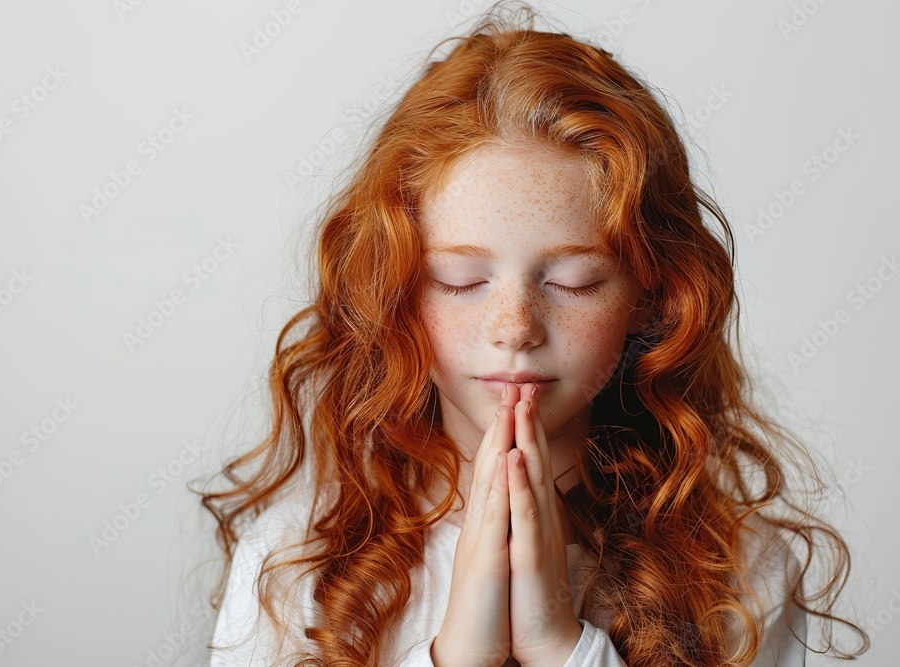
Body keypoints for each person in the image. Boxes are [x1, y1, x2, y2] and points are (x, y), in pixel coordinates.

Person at [200, 2, 870, 665]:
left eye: (575, 281)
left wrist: (564, 646)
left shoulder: (743, 573)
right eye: (460, 279)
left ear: (651, 295)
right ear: (395, 290)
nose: (515, 328)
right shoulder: (290, 564)